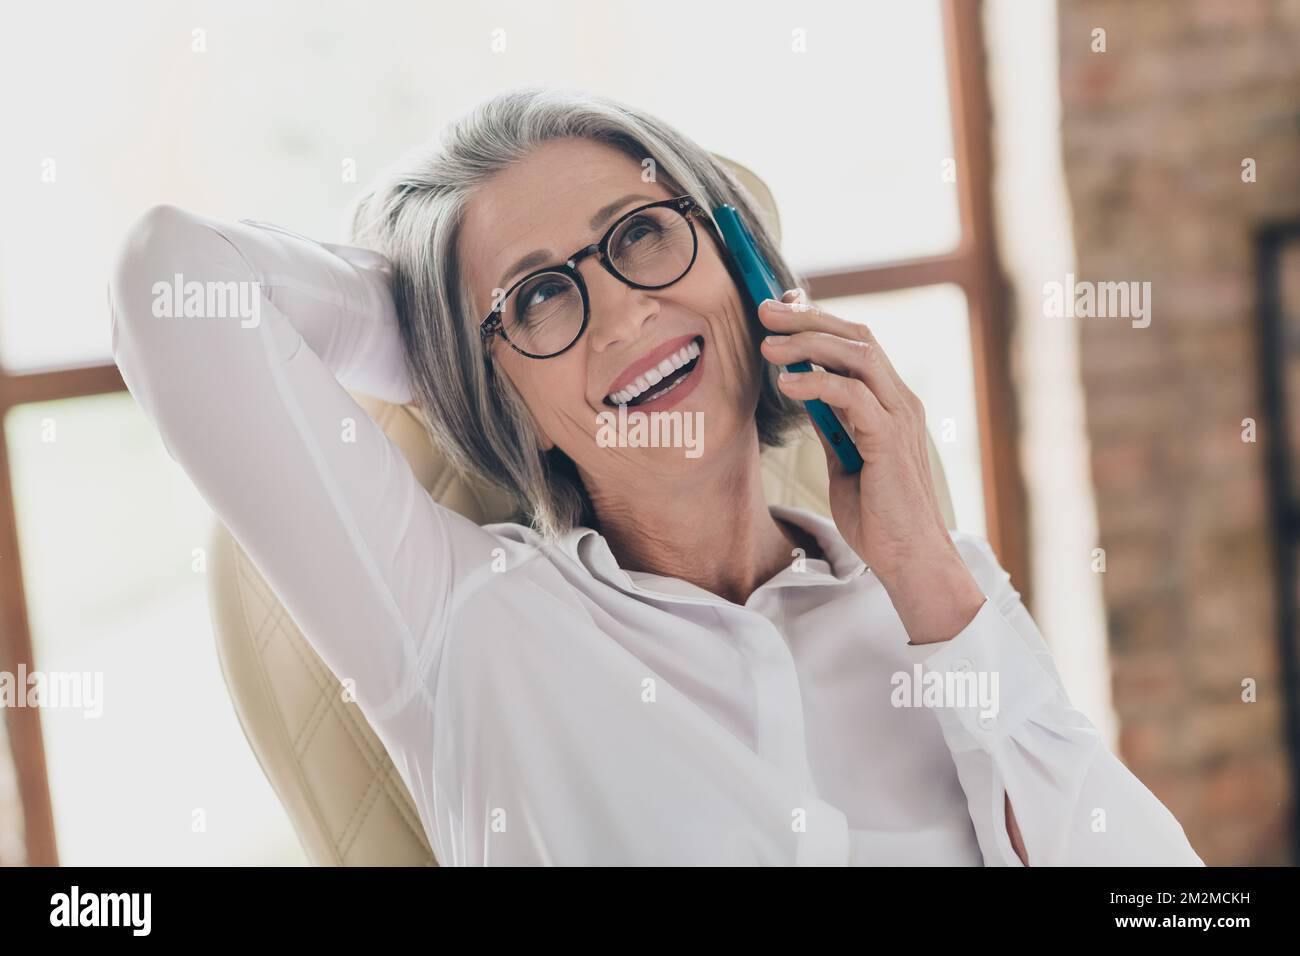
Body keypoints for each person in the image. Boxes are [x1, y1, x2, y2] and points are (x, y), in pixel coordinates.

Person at [108, 86, 1202, 866]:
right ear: (495, 395)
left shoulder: (932, 608)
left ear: (743, 268)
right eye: (539, 296)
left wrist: (931, 587)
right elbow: (171, 279)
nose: (623, 309)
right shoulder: (462, 629)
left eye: (639, 234)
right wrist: (450, 333)